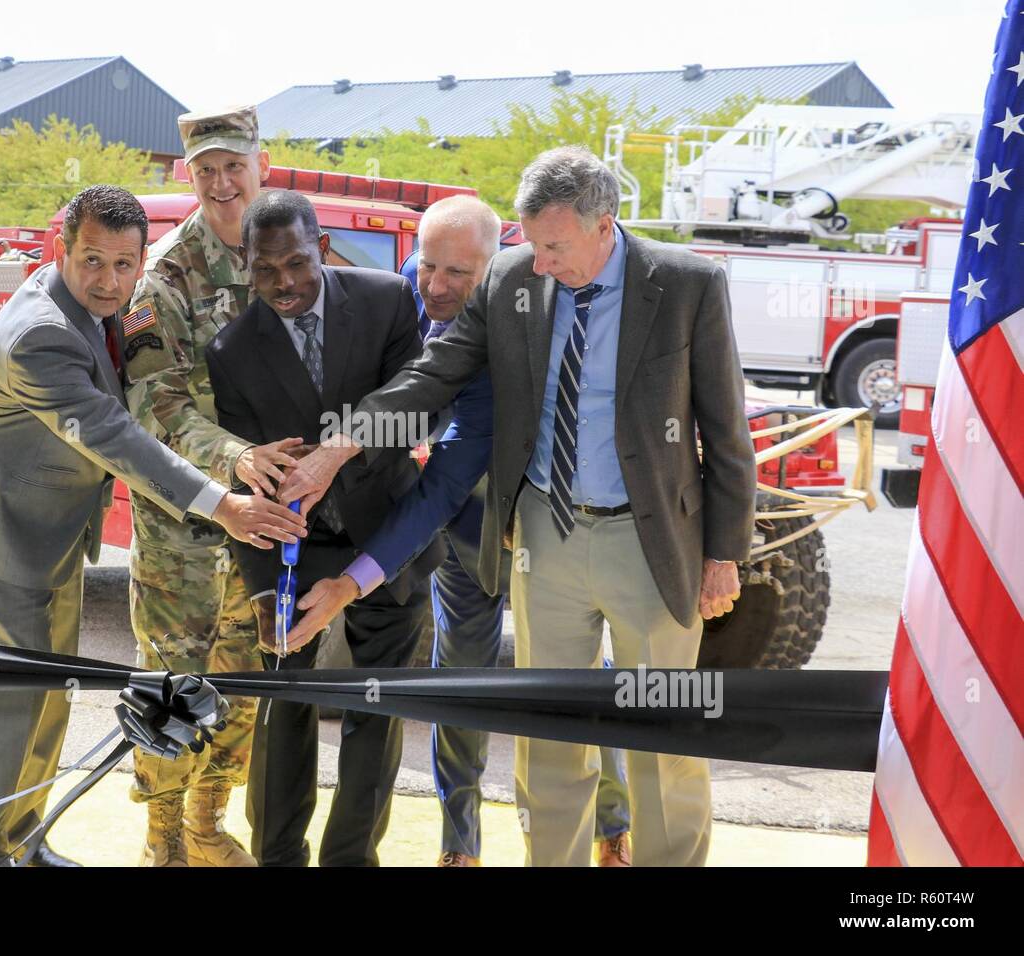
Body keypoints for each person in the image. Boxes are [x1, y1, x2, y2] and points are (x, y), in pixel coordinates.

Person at [280, 147, 757, 867]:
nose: (539, 264)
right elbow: (435, 373)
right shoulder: (510, 276)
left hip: (652, 540)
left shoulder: (686, 283)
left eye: (555, 246)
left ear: (606, 225)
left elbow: (726, 429)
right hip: (545, 535)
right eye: (531, 244)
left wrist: (723, 553)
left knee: (662, 732)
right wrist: (339, 446)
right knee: (546, 737)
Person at [0, 185, 306, 868]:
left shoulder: (100, 311)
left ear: (141, 261)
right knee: (5, 712)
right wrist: (222, 502)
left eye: (124, 264)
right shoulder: (39, 334)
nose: (109, 281)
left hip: (46, 534)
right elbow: (112, 435)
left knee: (46, 698)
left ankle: (22, 841)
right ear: (60, 251)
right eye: (93, 261)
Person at [288, 195, 634, 866]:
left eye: (459, 276)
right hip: (466, 534)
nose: (437, 288)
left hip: (546, 528)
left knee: (571, 680)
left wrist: (354, 581)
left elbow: (445, 479)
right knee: (460, 677)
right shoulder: (409, 301)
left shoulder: (527, 308)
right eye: (428, 268)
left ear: (499, 263)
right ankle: (459, 844)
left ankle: (610, 829)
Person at [204, 189, 441, 866]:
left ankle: (350, 858)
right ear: (245, 265)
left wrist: (343, 450)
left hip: (384, 537)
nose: (284, 283)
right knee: (284, 704)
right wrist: (261, 596)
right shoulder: (231, 351)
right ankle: (278, 856)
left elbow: (416, 415)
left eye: (298, 263)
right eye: (265, 270)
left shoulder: (388, 301)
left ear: (324, 249)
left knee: (376, 708)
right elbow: (246, 486)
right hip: (291, 550)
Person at [120, 105, 302, 867]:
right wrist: (237, 457)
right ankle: (162, 841)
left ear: (262, 167)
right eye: (206, 172)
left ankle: (205, 823)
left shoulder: (289, 262)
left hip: (263, 528)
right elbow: (155, 408)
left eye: (235, 166)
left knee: (242, 687)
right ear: (187, 177)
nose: (223, 183)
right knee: (172, 689)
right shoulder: (160, 278)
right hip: (186, 537)